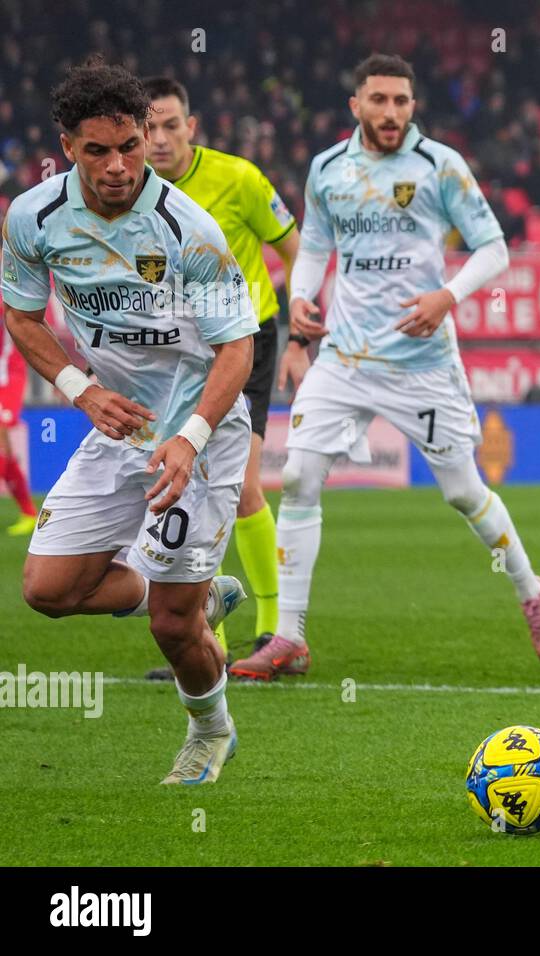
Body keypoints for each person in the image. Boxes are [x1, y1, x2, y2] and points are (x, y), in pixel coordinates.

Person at [230, 54, 540, 680]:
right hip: (346, 357)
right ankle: (289, 637)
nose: (391, 112)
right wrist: (300, 298)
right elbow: (317, 248)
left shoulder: (440, 166)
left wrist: (447, 298)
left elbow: (494, 249)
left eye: (402, 102)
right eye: (379, 100)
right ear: (355, 104)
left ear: (413, 107)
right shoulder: (327, 170)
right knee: (299, 475)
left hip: (422, 363)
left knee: (464, 492)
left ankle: (529, 588)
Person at [2, 58, 256, 783]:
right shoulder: (34, 217)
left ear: (146, 136)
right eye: (97, 151)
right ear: (66, 144)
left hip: (200, 433)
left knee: (173, 628)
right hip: (116, 426)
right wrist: (81, 389)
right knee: (46, 592)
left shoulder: (188, 229)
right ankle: (199, 589)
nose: (117, 166)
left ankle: (210, 731)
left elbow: (238, 347)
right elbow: (21, 314)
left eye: (130, 146)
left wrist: (190, 437)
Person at [141, 76, 300, 673]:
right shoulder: (135, 192)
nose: (158, 140)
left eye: (170, 126)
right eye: (148, 128)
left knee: (243, 489)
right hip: (177, 354)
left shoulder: (239, 179)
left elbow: (293, 247)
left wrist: (295, 326)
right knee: (176, 491)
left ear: (192, 127)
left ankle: (273, 630)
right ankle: (207, 635)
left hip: (245, 341)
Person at [0, 299, 38, 535]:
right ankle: (28, 512)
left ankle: (29, 512)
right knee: (6, 450)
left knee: (2, 441)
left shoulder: (8, 292)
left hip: (8, 375)